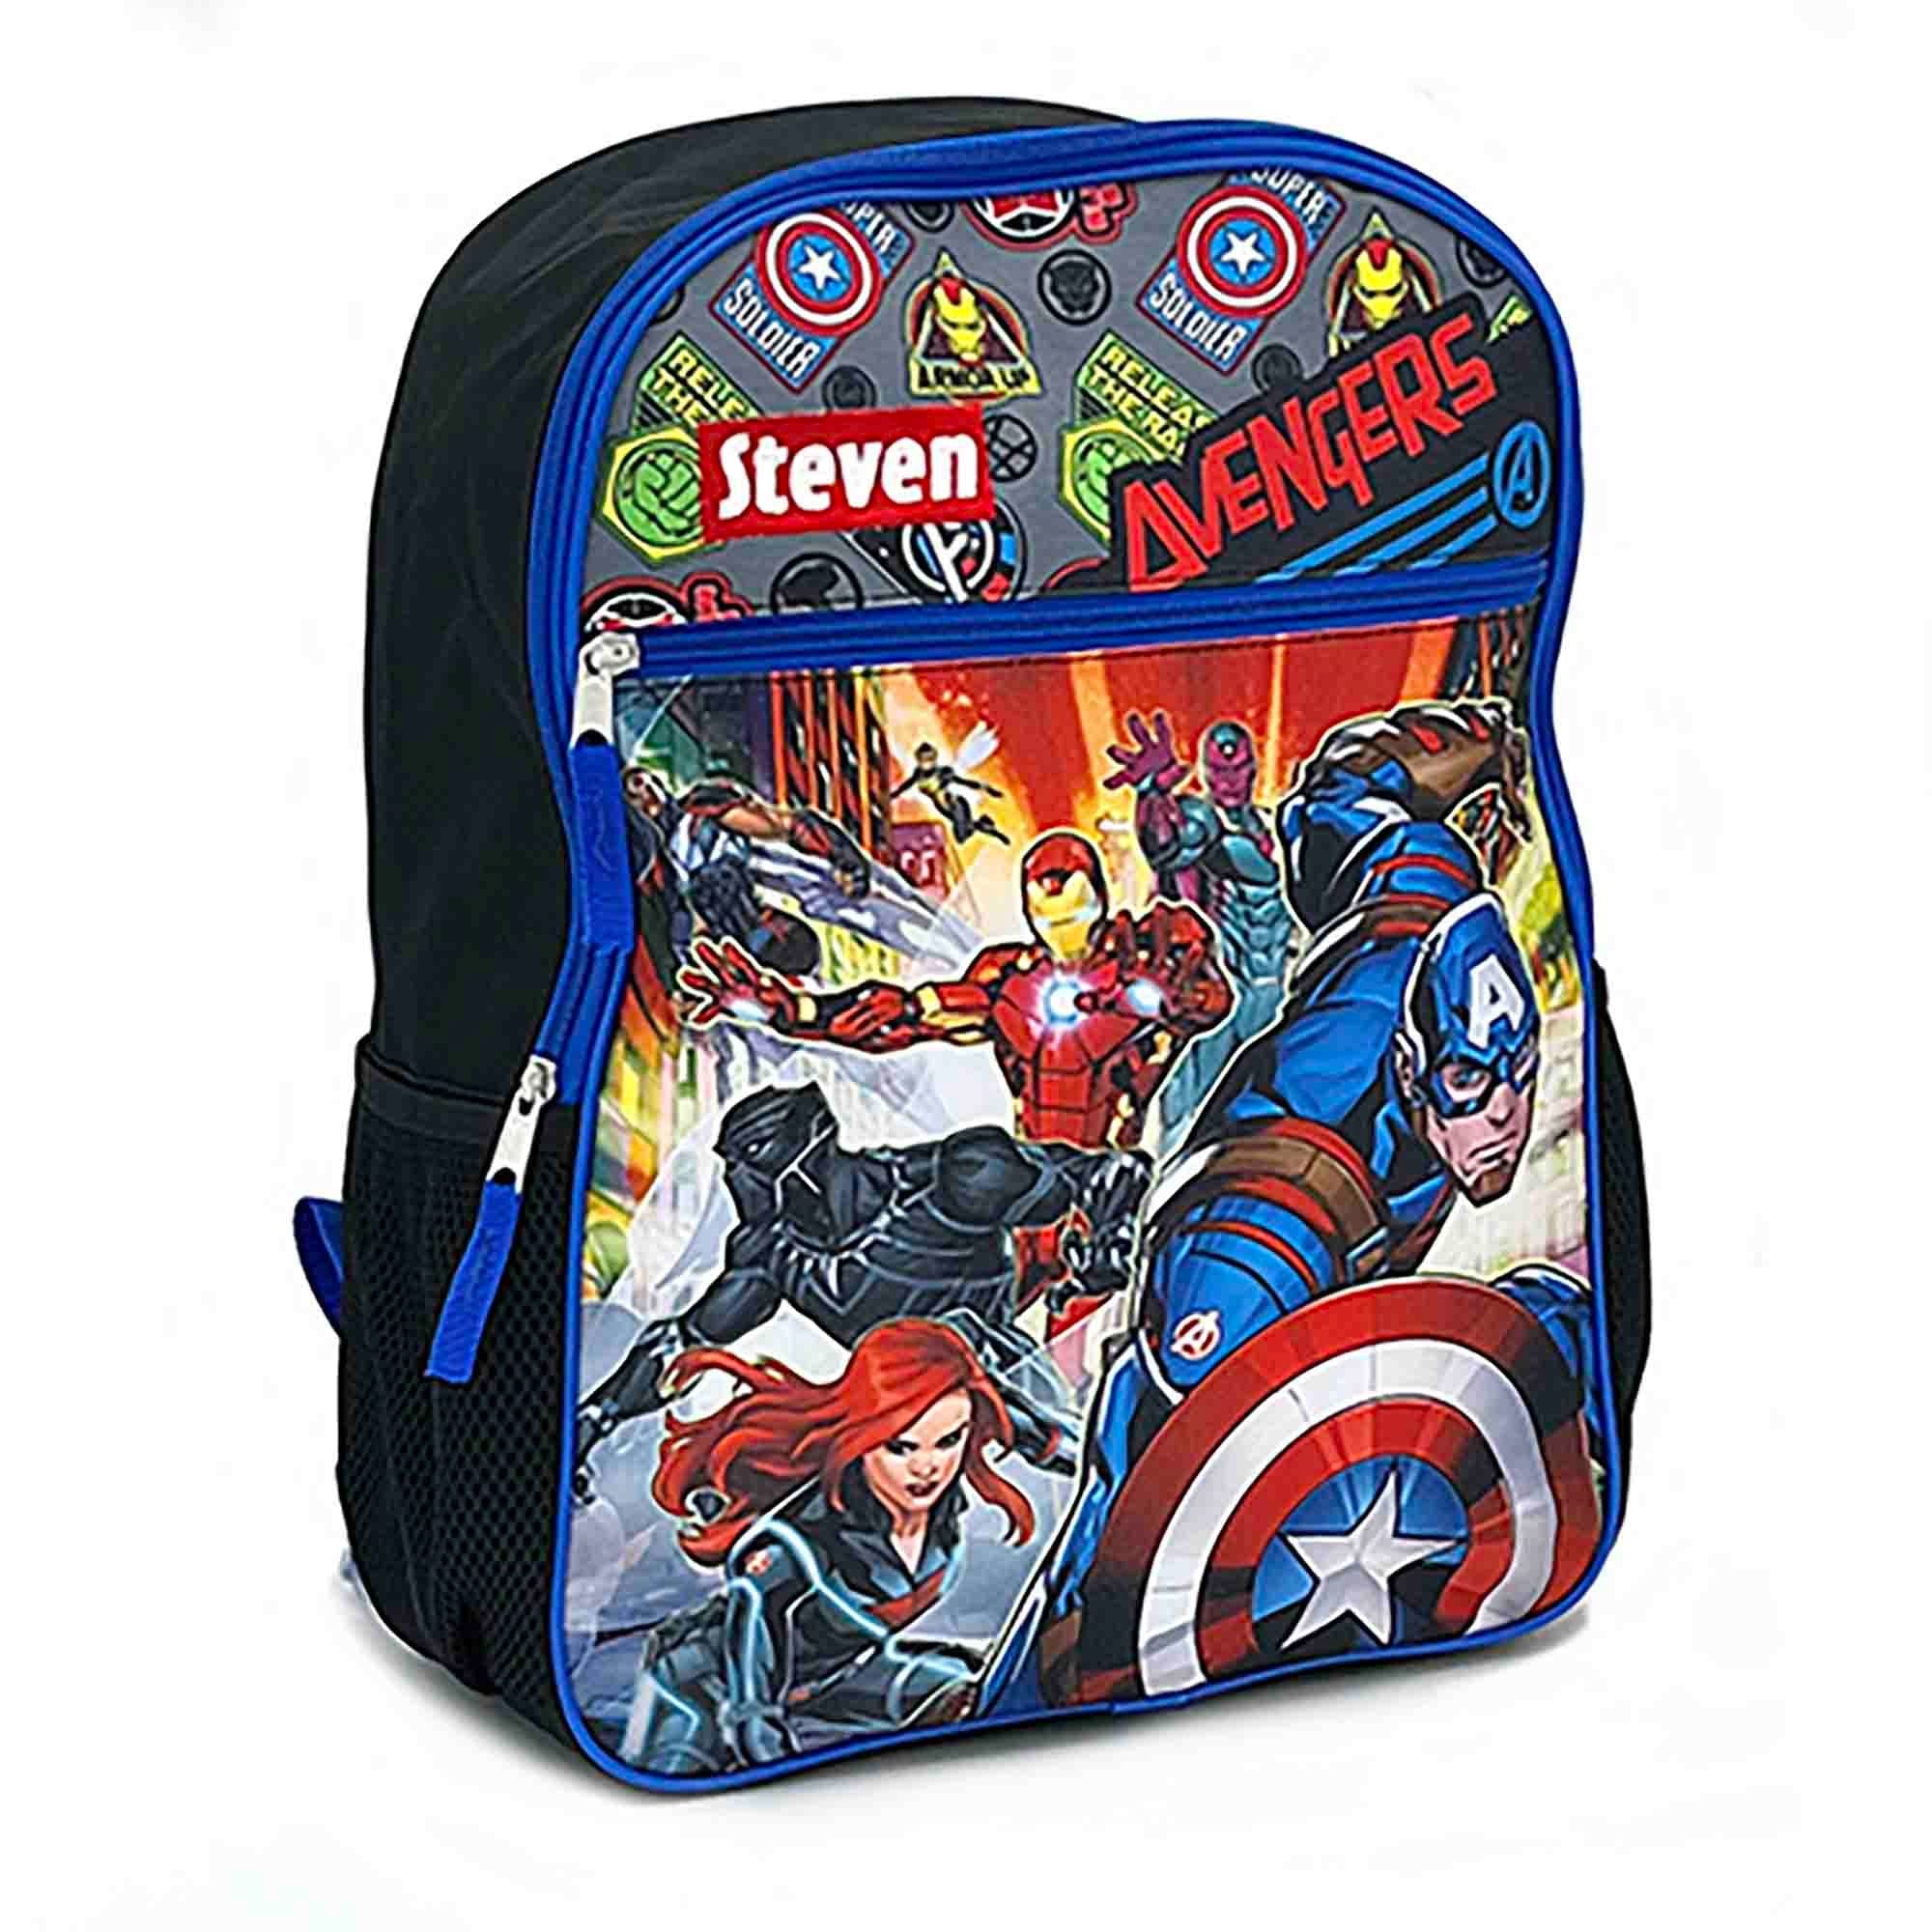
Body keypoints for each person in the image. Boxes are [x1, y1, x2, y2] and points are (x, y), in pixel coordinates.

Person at [612, 1320, 1037, 1774]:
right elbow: (752, 1713)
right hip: (706, 1690)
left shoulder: (944, 1519)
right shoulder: (794, 1543)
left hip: (834, 1680)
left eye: (948, 1441)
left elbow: (1057, 1440)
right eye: (900, 1447)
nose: (926, 1467)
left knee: (976, 1684)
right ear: (864, 1437)